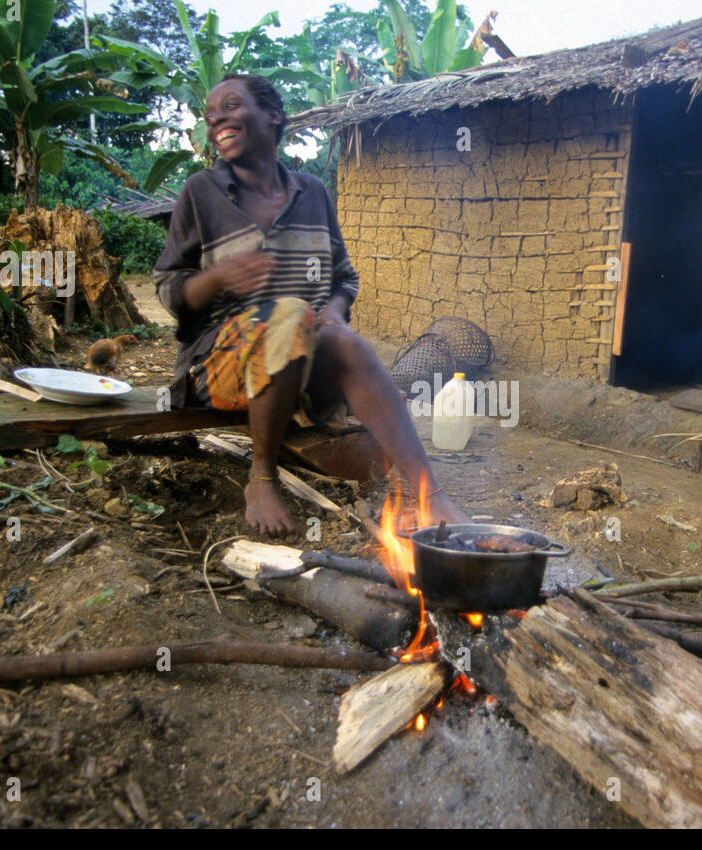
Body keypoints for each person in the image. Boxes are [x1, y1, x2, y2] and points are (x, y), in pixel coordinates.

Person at [154, 74, 468, 537]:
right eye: (209, 114)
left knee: (340, 337)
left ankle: (431, 495)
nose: (216, 118)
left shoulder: (313, 193)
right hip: (220, 369)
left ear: (273, 115)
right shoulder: (202, 192)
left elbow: (344, 277)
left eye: (231, 105)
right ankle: (261, 478)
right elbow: (168, 287)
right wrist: (217, 277)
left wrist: (337, 310)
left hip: (301, 370)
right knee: (291, 314)